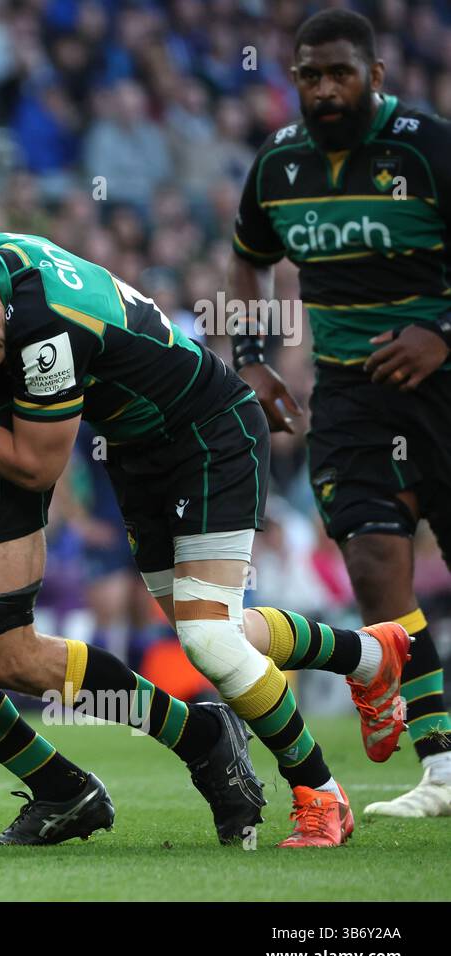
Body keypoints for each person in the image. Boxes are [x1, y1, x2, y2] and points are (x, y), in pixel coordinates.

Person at [0, 231, 411, 847]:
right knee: (219, 634)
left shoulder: (46, 323)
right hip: (140, 452)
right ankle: (371, 656)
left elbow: (35, 466)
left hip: (209, 433)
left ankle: (319, 793)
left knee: (208, 637)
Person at [229, 7, 451, 817]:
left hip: (446, 376)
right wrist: (249, 357)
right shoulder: (279, 166)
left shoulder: (430, 148)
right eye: (310, 75)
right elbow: (248, 263)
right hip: (352, 391)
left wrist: (440, 333)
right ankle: (442, 768)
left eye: (340, 75)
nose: (324, 89)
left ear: (376, 78)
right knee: (371, 562)